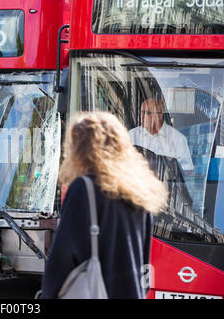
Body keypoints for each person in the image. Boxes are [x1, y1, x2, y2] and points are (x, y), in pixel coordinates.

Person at [41, 112, 168, 299]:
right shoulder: (141, 192)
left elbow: (62, 260)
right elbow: (144, 266)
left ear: (80, 150)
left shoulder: (84, 188)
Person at [129, 97, 194, 173]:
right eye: (142, 112)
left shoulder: (177, 139)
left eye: (147, 113)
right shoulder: (132, 135)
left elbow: (187, 171)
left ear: (159, 115)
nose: (142, 117)